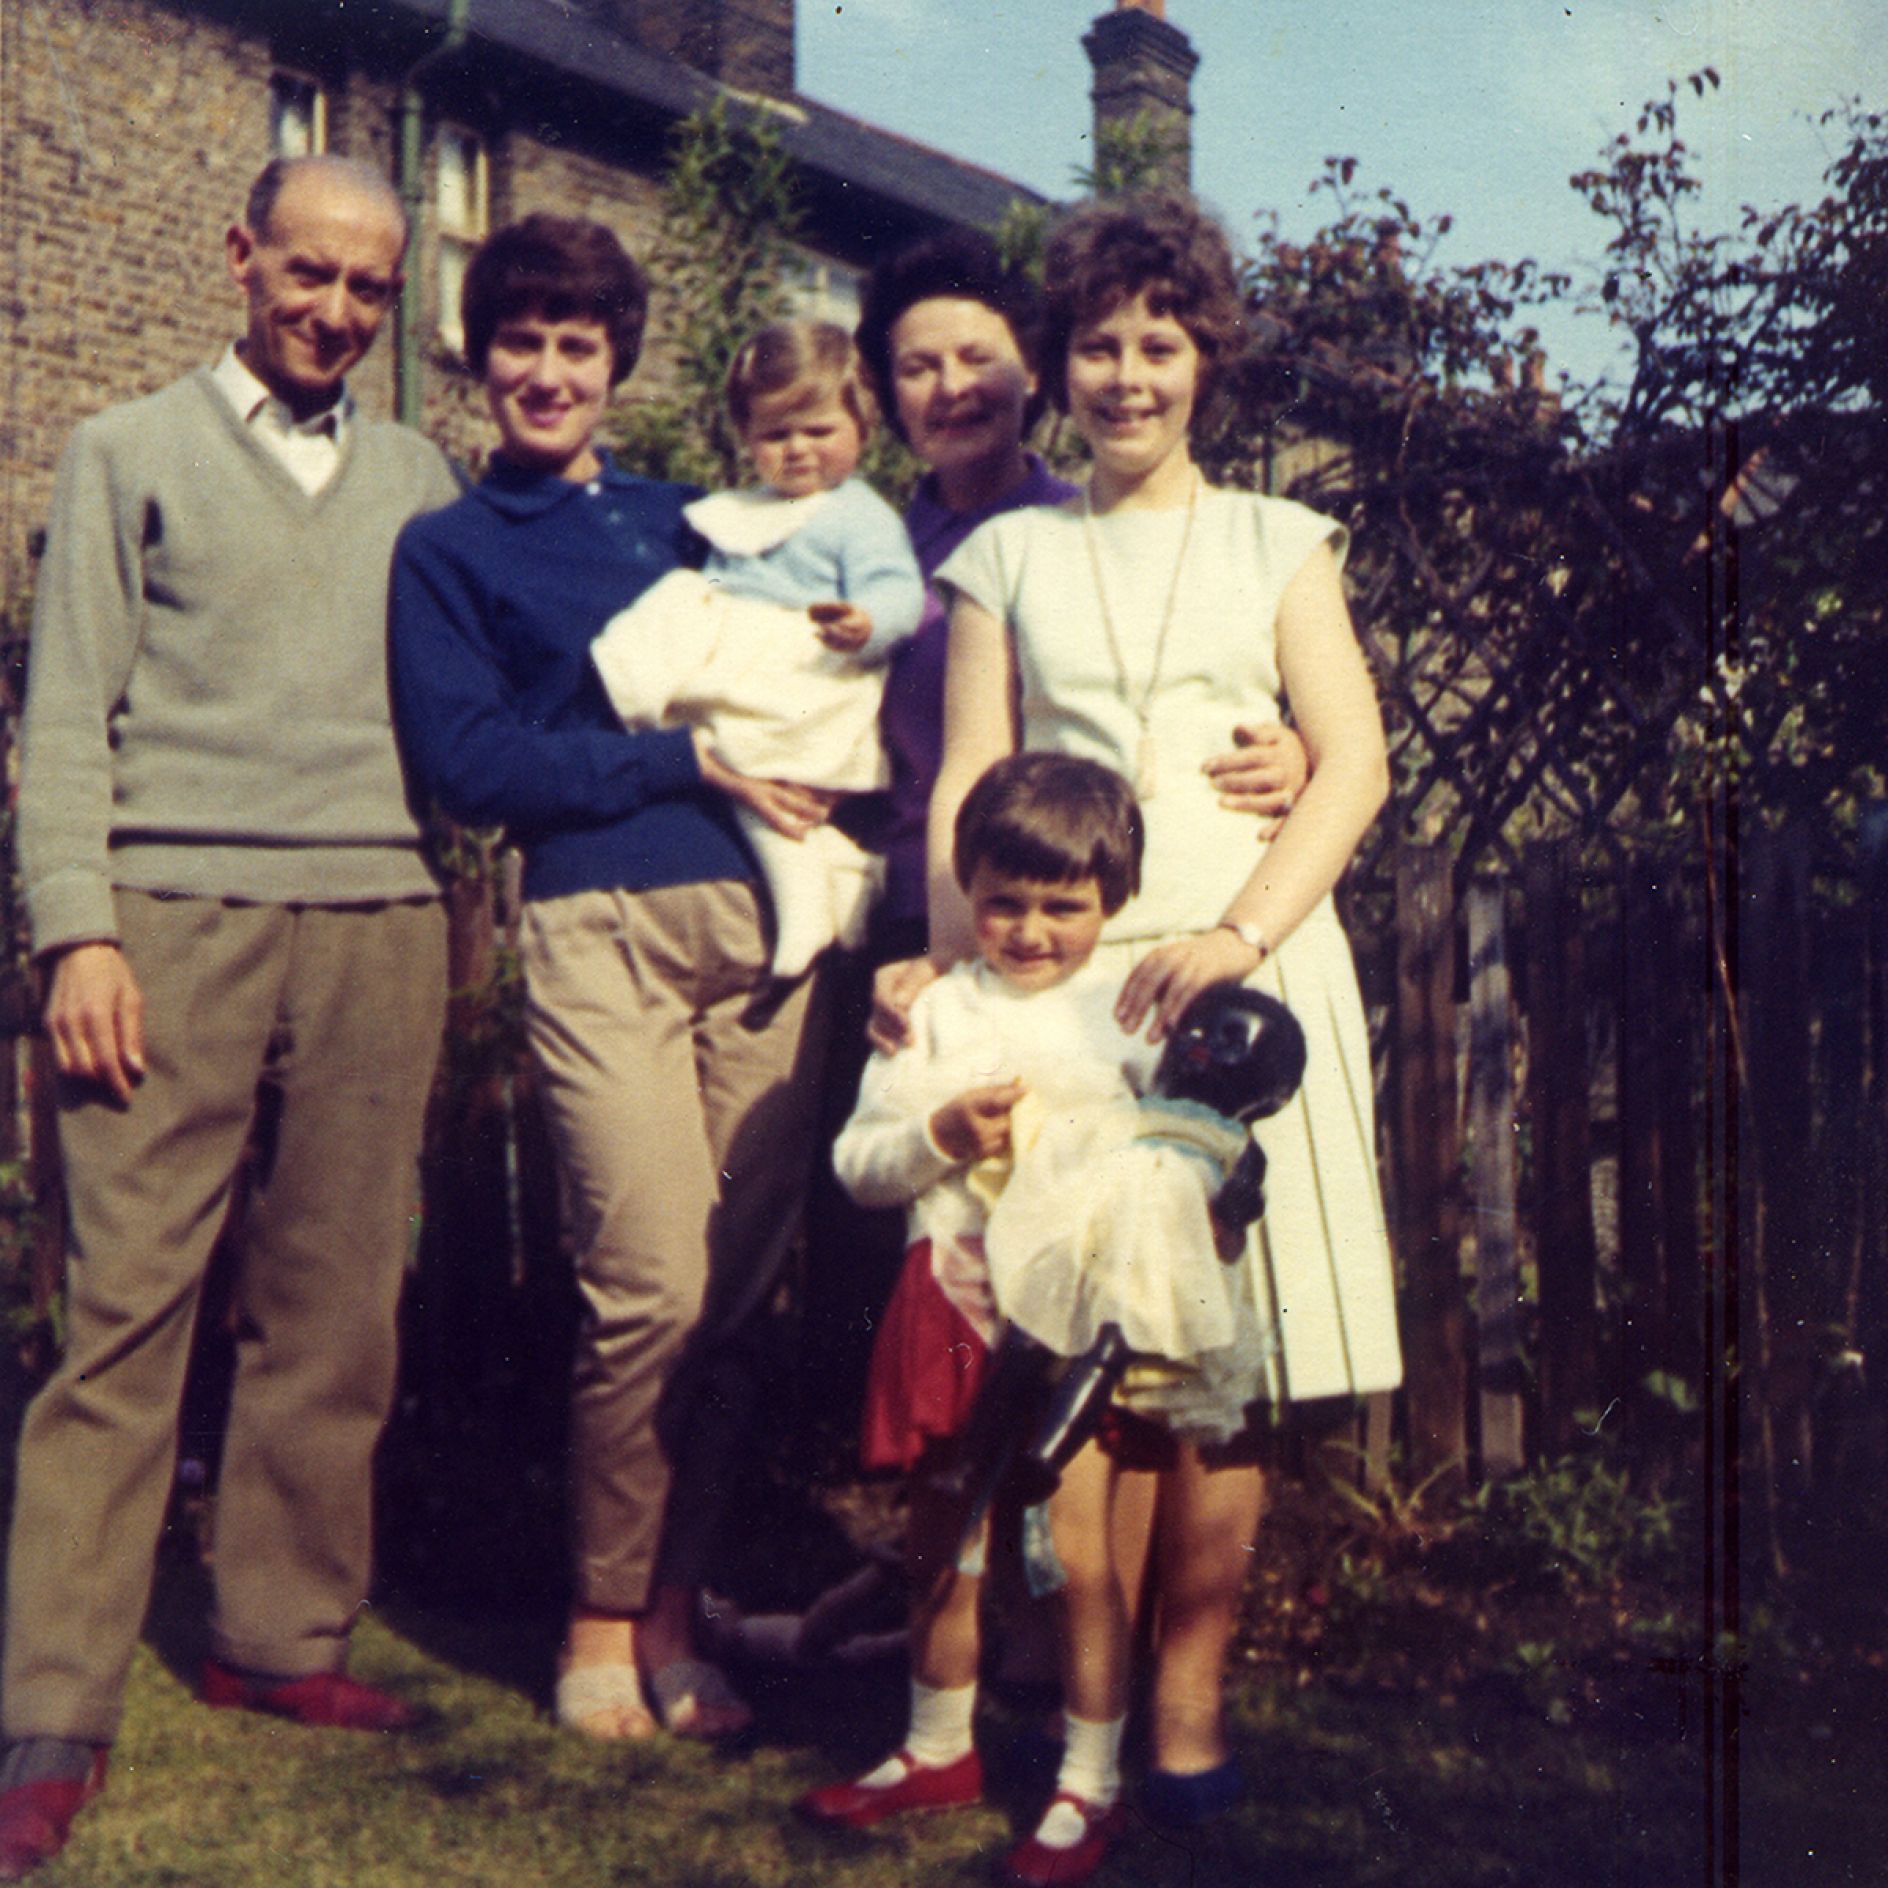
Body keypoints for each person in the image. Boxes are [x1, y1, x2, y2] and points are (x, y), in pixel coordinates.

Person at [885, 191, 1404, 1881]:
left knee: (1220, 1370)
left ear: (1205, 362)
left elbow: (1349, 764)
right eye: (1097, 345)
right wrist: (959, 974)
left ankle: (1187, 1710)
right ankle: (1069, 1723)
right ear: (1061, 363)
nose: (1125, 376)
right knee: (1096, 1372)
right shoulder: (1002, 554)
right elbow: (972, 775)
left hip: (1243, 975)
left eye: (1157, 345)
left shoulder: (1276, 540)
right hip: (1077, 984)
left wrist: (1239, 932)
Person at [0, 155, 460, 1881]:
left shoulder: (419, 474)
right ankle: (49, 1701)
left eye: (368, 287)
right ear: (240, 255)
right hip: (167, 924)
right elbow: (62, 718)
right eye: (309, 272)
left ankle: (278, 1636)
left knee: (334, 1307)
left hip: (377, 916)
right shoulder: (126, 449)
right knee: (123, 1309)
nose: (336, 309)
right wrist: (78, 937)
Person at [390, 214, 831, 1744]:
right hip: (600, 926)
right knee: (647, 1283)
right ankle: (595, 1620)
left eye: (579, 345)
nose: (549, 371)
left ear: (619, 363)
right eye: (522, 341)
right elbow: (469, 761)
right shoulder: (449, 550)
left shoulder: (700, 521)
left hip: (773, 935)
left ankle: (674, 1615)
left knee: (742, 1302)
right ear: (479, 353)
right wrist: (671, 754)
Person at [797, 752, 1163, 1846]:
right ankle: (935, 1744)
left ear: (1114, 902)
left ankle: (1087, 1773)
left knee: (1067, 1548)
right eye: (1005, 902)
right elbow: (858, 1164)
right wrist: (936, 1135)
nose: (1032, 929)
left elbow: (1184, 1163)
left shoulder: (1132, 1014)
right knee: (942, 1538)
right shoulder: (937, 1011)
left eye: (1065, 906)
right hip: (948, 1305)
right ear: (967, 887)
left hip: (1073, 1328)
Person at [591, 319, 923, 977]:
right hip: (748, 670)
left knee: (765, 787)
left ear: (861, 426)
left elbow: (899, 592)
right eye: (775, 435)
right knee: (683, 609)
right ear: (748, 438)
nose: (797, 450)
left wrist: (865, 622)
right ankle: (841, 873)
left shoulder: (857, 514)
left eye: (818, 431)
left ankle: (808, 898)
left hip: (807, 676)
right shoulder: (743, 509)